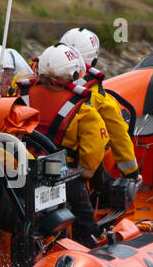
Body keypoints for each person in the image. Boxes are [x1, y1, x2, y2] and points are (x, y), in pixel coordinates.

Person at [28, 44, 109, 247]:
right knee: (84, 215)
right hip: (63, 177)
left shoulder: (20, 96)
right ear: (74, 73)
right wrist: (85, 175)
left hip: (22, 173)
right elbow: (93, 151)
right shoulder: (82, 108)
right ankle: (87, 244)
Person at [59, 27, 140, 182]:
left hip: (32, 155)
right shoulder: (96, 96)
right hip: (71, 167)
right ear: (93, 59)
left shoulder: (35, 81)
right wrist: (131, 172)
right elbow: (118, 134)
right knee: (104, 186)